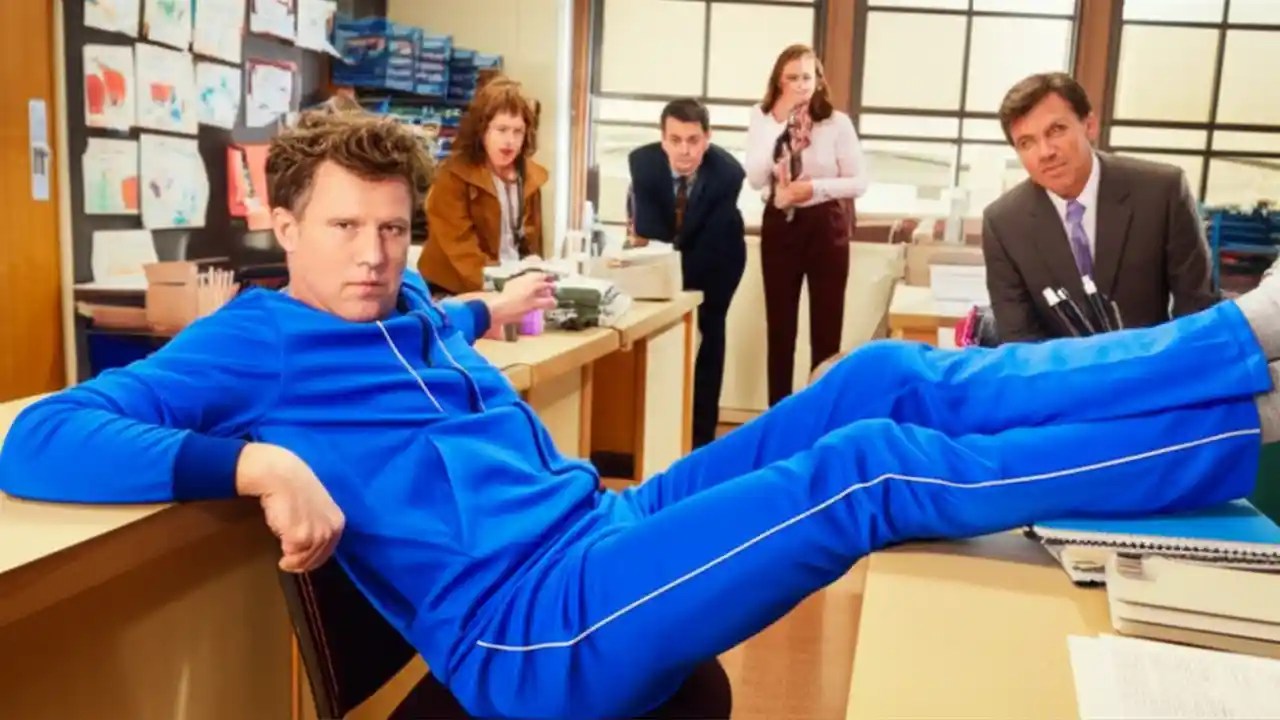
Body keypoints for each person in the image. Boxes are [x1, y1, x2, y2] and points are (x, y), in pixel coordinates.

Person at [5, 108, 1280, 720]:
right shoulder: (254, 343)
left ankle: (1233, 348)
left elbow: (433, 328)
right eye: (345, 229)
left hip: (602, 524)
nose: (376, 255)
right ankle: (1236, 435)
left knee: (872, 383)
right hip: (532, 631)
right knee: (865, 471)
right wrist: (251, 464)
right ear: (281, 226)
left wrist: (491, 308)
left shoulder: (398, 310)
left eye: (392, 229)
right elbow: (38, 433)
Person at [983, 72, 1217, 342]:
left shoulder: (1162, 190)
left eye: (1056, 130)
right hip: (1063, 377)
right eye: (1026, 143)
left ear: (1090, 126)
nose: (1045, 152)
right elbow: (1020, 339)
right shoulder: (1003, 222)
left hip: (1153, 370)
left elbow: (1198, 309)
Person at [745, 44, 870, 407]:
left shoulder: (836, 122)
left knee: (827, 330)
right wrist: (780, 122)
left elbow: (859, 182)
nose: (801, 85)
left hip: (825, 225)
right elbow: (754, 178)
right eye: (793, 78)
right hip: (780, 224)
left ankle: (820, 414)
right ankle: (778, 415)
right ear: (778, 82)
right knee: (780, 330)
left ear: (818, 80)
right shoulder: (762, 117)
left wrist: (812, 189)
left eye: (807, 77)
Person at [628, 98, 746, 448]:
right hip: (665, 254)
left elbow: (698, 233)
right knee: (659, 334)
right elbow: (651, 228)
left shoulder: (728, 173)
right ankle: (658, 428)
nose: (684, 150)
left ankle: (701, 436)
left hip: (717, 258)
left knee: (710, 336)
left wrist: (684, 291)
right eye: (675, 139)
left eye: (693, 140)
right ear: (662, 139)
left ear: (707, 139)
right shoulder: (643, 163)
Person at [419, 76, 547, 295]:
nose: (510, 141)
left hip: (509, 284)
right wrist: (500, 290)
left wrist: (536, 278)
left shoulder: (530, 177)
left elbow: (531, 244)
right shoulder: (452, 176)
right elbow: (461, 249)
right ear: (482, 131)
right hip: (452, 290)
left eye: (518, 132)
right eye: (501, 130)